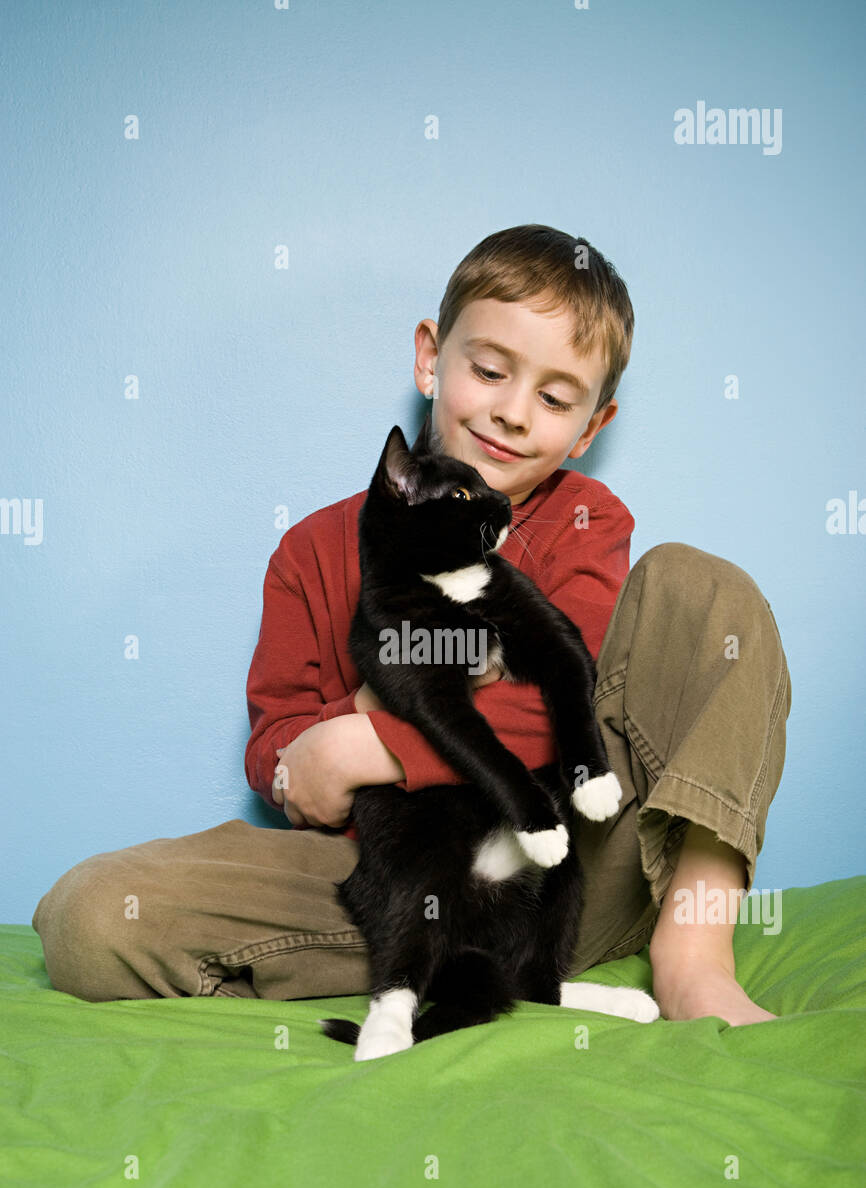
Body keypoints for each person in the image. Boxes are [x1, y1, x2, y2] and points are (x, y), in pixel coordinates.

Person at [33, 224, 791, 1026]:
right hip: (399, 880)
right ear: (431, 358)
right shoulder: (310, 552)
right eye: (491, 370)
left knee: (701, 584)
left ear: (590, 428)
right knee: (93, 915)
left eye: (555, 398)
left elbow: (565, 701)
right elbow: (282, 749)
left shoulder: (583, 524)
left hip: (571, 869)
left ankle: (694, 952)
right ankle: (426, 969)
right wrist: (301, 762)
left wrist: (374, 738)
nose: (512, 413)